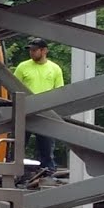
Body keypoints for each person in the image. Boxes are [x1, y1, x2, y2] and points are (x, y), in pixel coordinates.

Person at [11, 39, 64, 173]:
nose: (31, 53)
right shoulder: (23, 67)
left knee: (46, 147)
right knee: (18, 145)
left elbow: (59, 91)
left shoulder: (55, 69)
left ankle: (47, 172)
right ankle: (13, 170)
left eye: (34, 50)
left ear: (44, 51)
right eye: (31, 50)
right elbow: (12, 87)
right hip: (25, 112)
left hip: (46, 113)